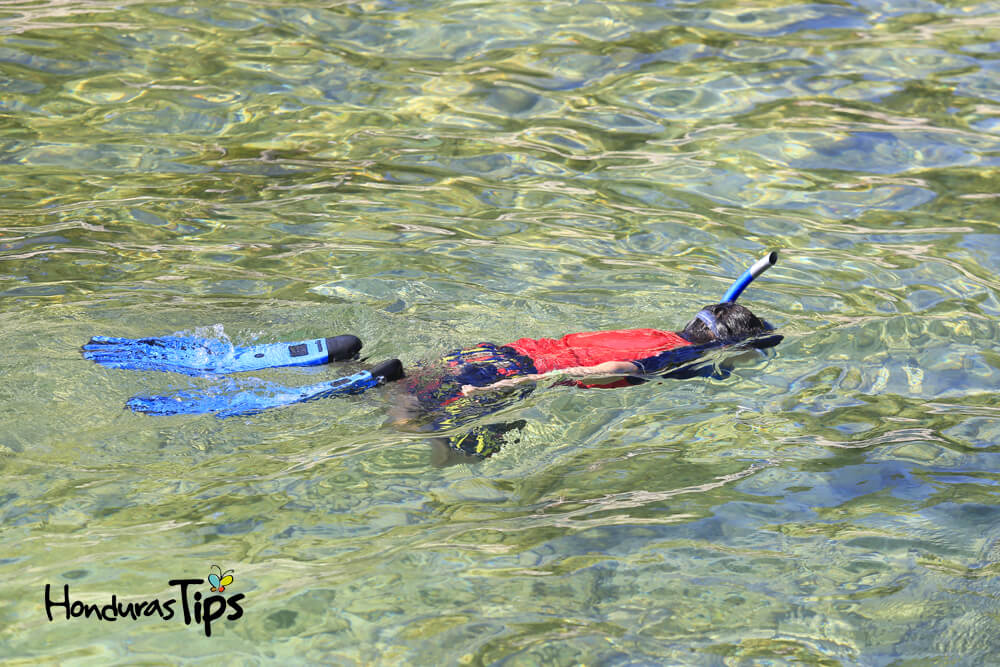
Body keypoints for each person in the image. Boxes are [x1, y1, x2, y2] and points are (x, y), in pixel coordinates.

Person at [390, 301, 780, 460]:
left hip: (493, 352)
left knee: (411, 388)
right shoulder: (677, 355)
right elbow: (614, 370)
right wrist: (503, 388)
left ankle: (377, 379)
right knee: (470, 452)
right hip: (514, 375)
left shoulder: (652, 333)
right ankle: (420, 430)